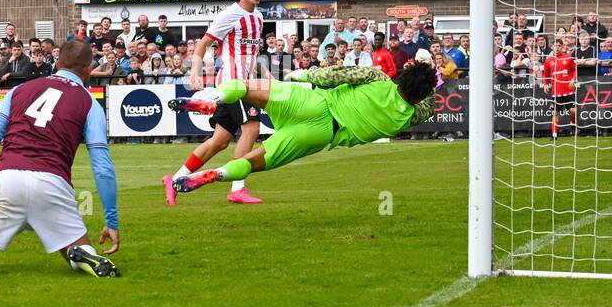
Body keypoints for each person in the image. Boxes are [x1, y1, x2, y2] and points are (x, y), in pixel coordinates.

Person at [0, 40, 120, 283]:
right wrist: (111, 221)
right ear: (89, 69)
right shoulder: (89, 102)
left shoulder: (20, 90)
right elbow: (102, 167)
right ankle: (83, 256)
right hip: (52, 184)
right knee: (77, 249)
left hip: (7, 180)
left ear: (57, 64)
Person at [167, 57, 438, 194]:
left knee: (246, 87)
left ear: (402, 76)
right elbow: (429, 104)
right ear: (421, 95)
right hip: (320, 134)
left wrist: (304, 74)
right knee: (252, 162)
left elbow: (337, 73)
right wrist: (431, 82)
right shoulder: (409, 116)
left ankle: (213, 99)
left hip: (312, 101)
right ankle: (217, 175)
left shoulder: (377, 77)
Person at [164, 0, 266, 206]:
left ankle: (176, 178)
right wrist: (195, 73)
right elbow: (203, 44)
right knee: (251, 129)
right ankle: (237, 188)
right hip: (234, 82)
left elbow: (252, 56)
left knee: (220, 140)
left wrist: (269, 76)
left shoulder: (259, 17)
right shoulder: (230, 14)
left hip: (245, 81)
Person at [542, 34, 578, 141]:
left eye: (559, 45)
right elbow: (546, 74)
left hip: (569, 91)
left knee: (573, 111)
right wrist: (545, 84)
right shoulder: (549, 60)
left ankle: (573, 123)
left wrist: (573, 79)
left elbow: (575, 70)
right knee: (556, 113)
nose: (557, 47)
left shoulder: (568, 58)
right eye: (555, 45)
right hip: (556, 92)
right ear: (552, 46)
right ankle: (554, 135)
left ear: (562, 47)